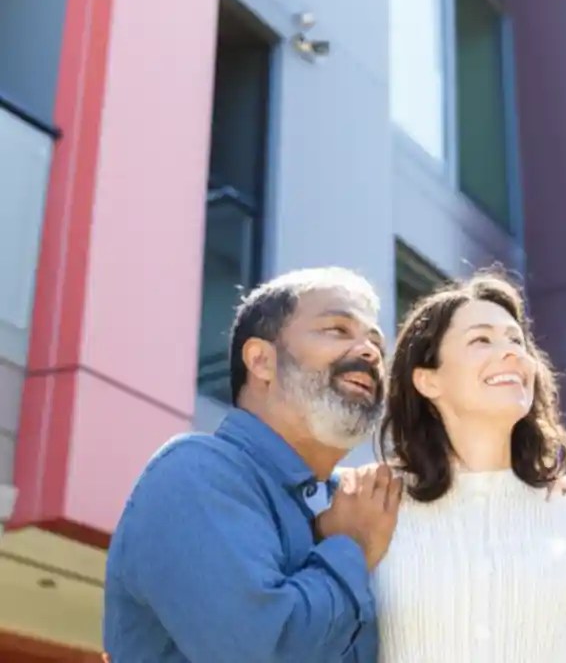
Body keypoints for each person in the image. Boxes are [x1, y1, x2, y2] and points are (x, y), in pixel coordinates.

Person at [104, 268, 400, 662]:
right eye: (337, 330)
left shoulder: (357, 502)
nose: (370, 353)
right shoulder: (193, 474)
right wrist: (351, 546)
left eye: (376, 343)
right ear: (261, 360)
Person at [374, 271, 566, 662]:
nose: (514, 353)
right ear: (428, 381)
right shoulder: (376, 501)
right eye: (481, 339)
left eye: (517, 340)